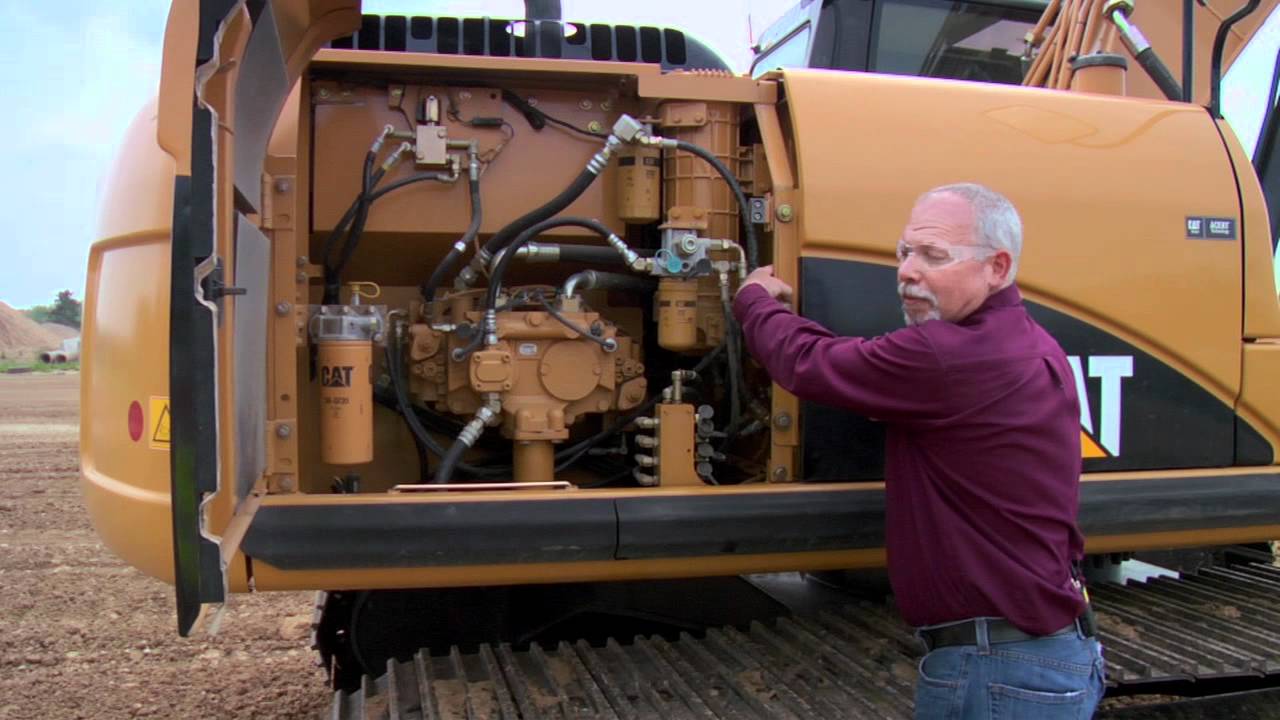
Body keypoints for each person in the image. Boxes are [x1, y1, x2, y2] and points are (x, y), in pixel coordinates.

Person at [732, 183, 1105, 719]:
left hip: (996, 669)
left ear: (997, 267)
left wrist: (754, 300)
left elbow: (807, 362)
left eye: (934, 256)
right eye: (904, 252)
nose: (908, 271)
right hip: (1041, 654)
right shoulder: (1029, 343)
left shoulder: (950, 357)